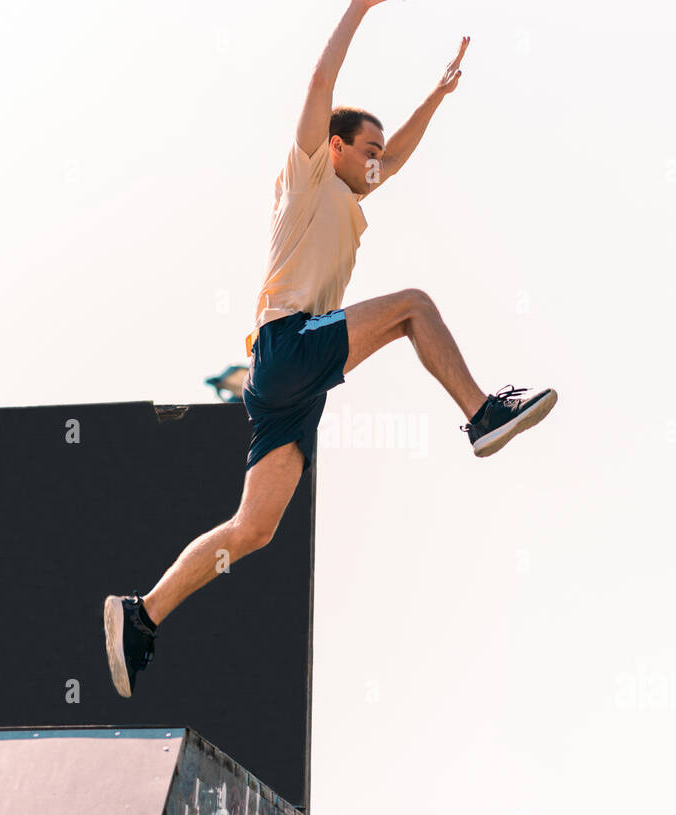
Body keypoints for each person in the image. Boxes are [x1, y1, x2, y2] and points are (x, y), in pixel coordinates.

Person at [103, 0, 557, 697]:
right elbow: (321, 84)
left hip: (291, 383)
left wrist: (436, 96)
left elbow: (396, 159)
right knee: (413, 307)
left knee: (253, 528)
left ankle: (142, 614)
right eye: (367, 151)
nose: (377, 163)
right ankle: (482, 414)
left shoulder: (350, 193)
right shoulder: (309, 171)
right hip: (288, 345)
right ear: (335, 147)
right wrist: (359, 9)